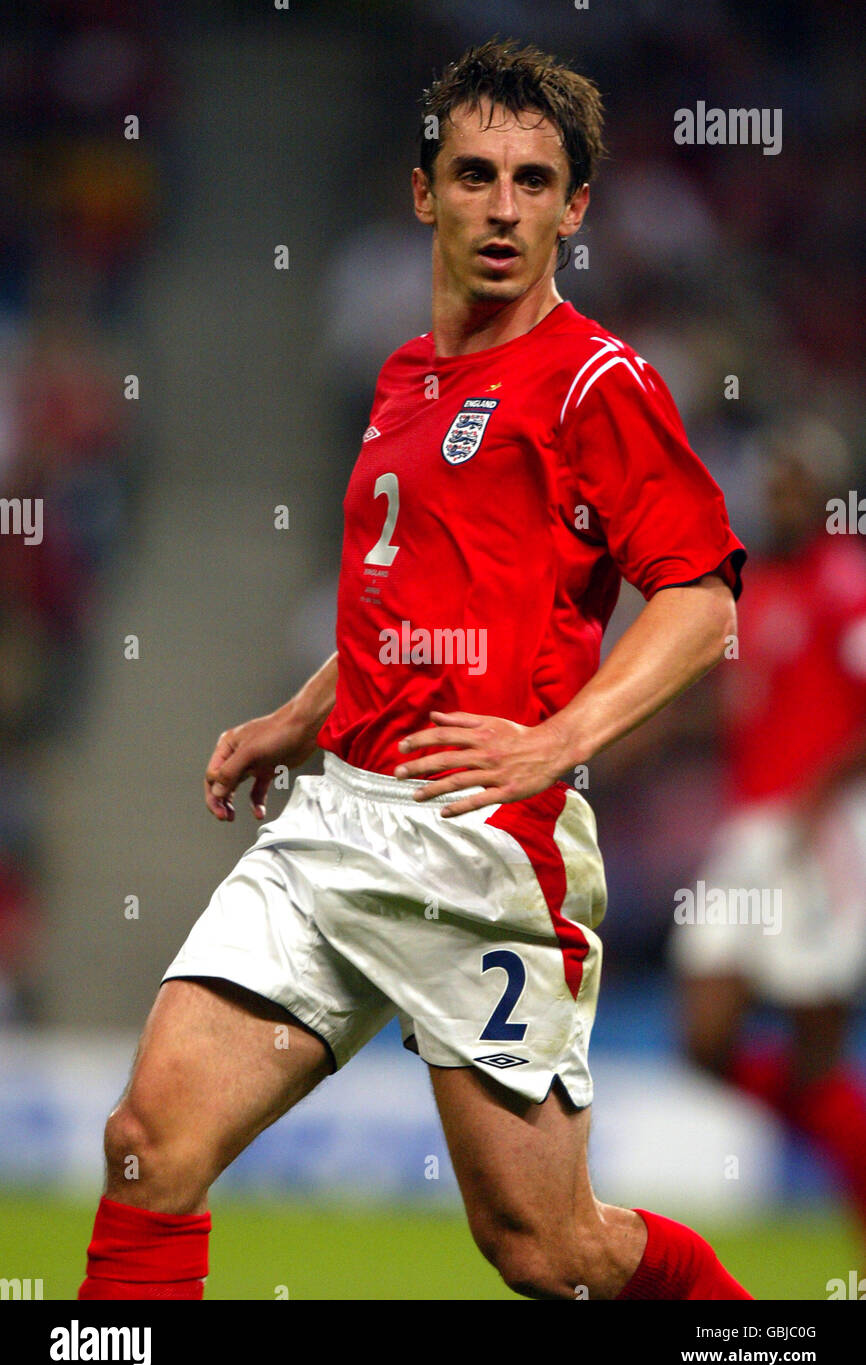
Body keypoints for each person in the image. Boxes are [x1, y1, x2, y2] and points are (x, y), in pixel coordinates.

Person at [79, 38, 750, 1301]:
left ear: (575, 207)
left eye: (535, 182)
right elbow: (413, 601)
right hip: (333, 826)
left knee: (544, 1253)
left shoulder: (596, 384)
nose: (503, 208)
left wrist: (559, 740)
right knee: (145, 1147)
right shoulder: (404, 377)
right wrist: (297, 715)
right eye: (476, 173)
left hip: (480, 842)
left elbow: (701, 594)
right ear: (421, 191)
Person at [671, 415, 866, 1242]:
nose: (778, 497)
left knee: (815, 1037)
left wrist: (818, 797)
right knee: (704, 1037)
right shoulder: (757, 590)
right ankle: (847, 1147)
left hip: (825, 833)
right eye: (772, 483)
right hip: (751, 835)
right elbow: (728, 712)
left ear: (826, 495)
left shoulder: (846, 581)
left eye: (792, 483)